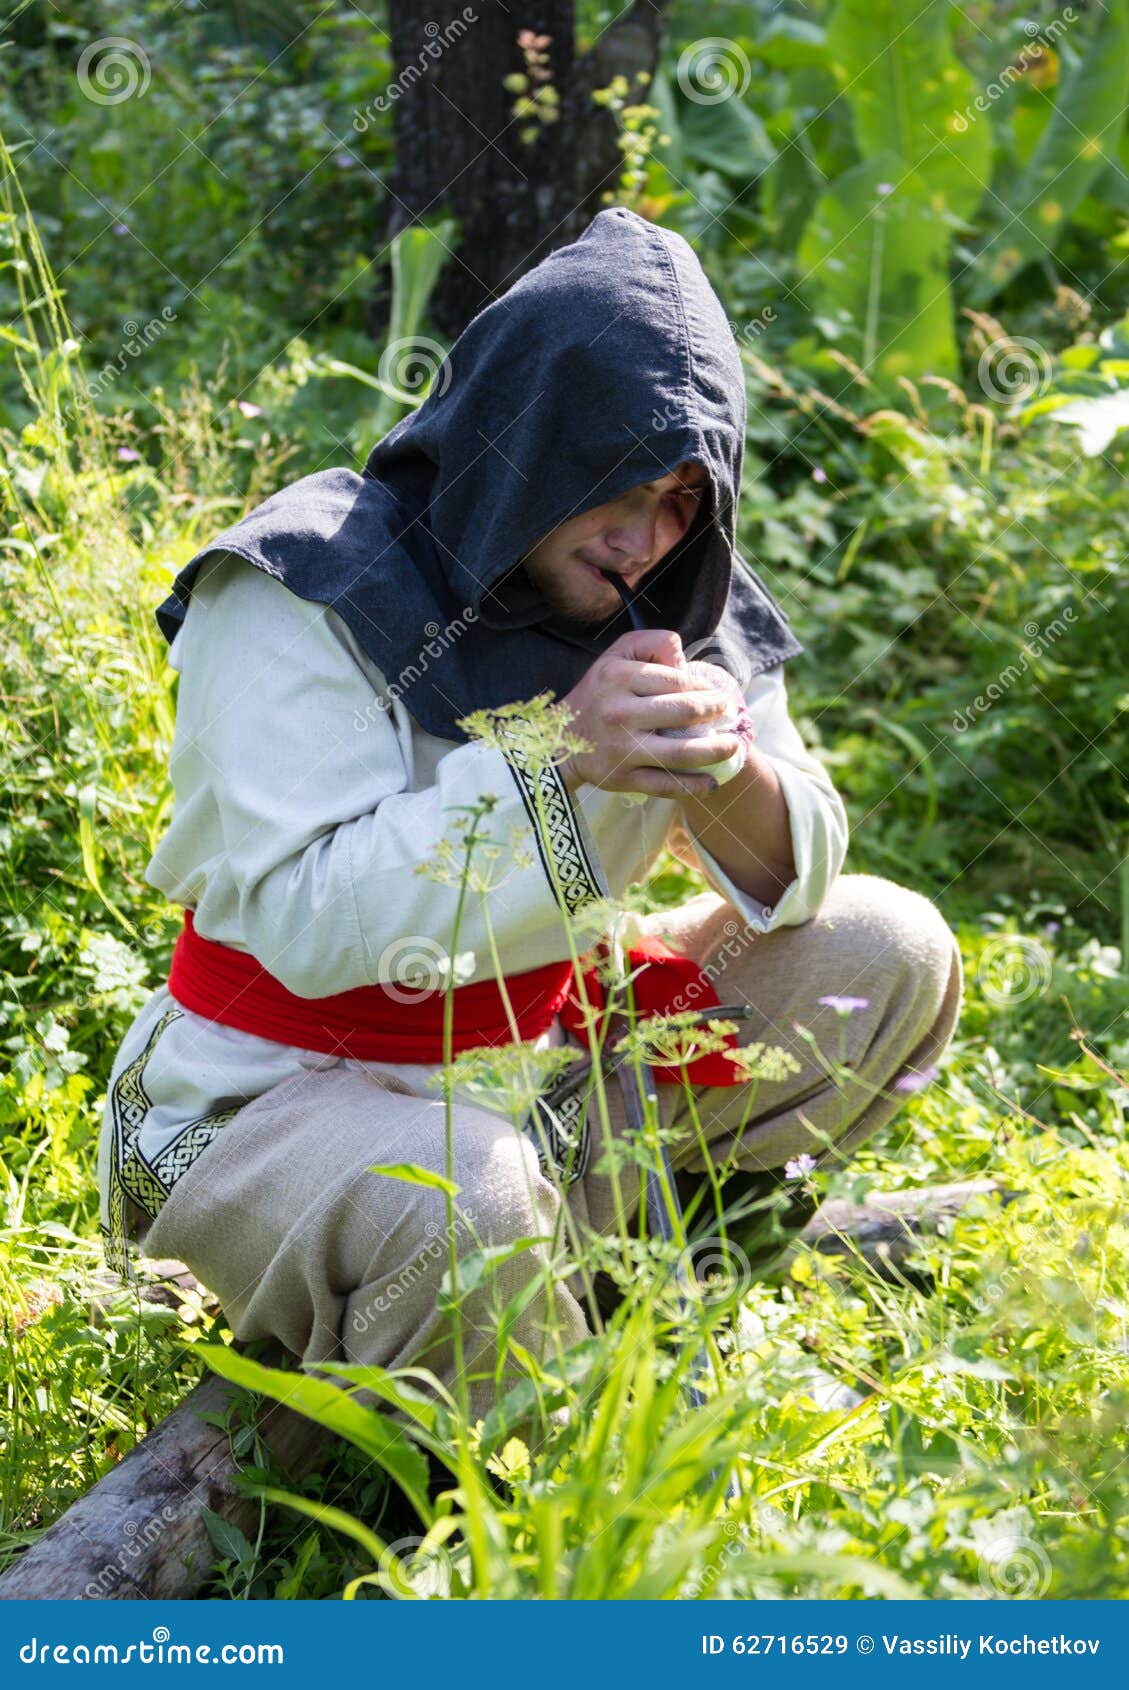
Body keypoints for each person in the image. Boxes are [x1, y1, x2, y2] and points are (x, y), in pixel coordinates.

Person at [98, 208, 963, 1423]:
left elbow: (801, 865)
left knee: (887, 949)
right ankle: (528, 1480)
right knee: (462, 1201)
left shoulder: (671, 589)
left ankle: (653, 1289)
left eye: (677, 496)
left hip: (538, 1082)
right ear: (525, 442)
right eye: (608, 478)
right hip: (268, 1097)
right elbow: (300, 918)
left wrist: (720, 761)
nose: (643, 535)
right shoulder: (305, 586)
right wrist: (558, 758)